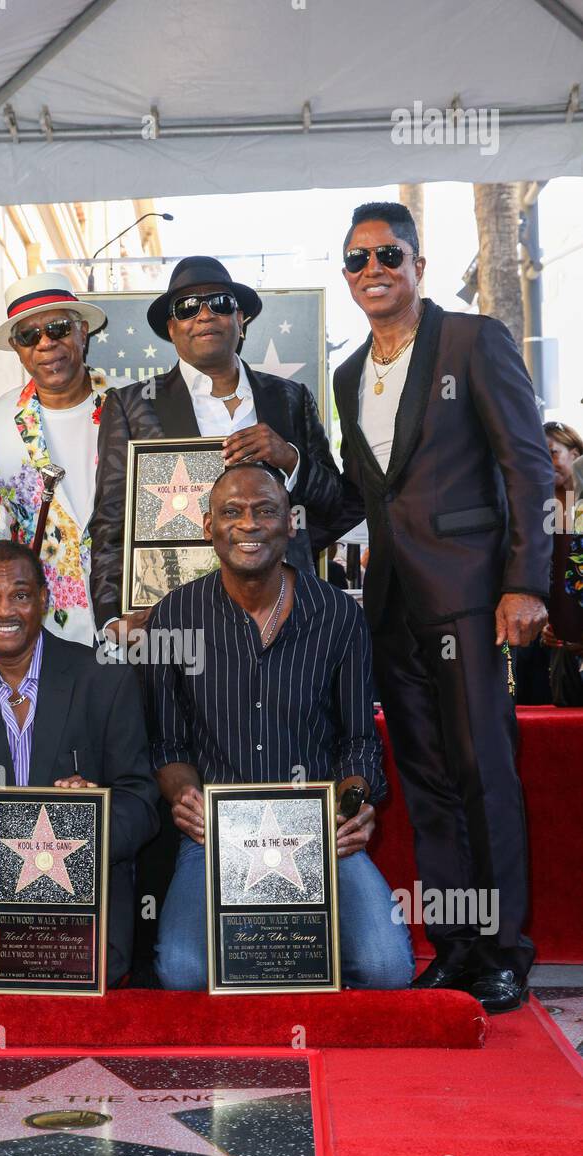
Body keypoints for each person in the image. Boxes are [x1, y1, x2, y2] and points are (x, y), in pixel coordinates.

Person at [295, 201, 555, 1012]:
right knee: (429, 782)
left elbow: (527, 468)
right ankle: (456, 946)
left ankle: (506, 949)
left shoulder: (474, 342)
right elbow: (357, 497)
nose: (372, 270)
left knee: (486, 775)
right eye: (356, 259)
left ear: (418, 265)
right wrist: (288, 474)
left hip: (474, 599)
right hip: (391, 608)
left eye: (388, 255)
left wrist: (528, 582)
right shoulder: (346, 376)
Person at [145, 462, 413, 992]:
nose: (249, 524)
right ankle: (286, 946)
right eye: (232, 512)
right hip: (216, 834)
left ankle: (300, 943)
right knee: (183, 973)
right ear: (207, 527)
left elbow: (359, 740)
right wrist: (185, 798)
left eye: (265, 510)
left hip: (317, 830)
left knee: (386, 969)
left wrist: (354, 805)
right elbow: (167, 744)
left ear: (291, 522)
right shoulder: (173, 616)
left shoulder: (337, 614)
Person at [0, 541, 159, 991]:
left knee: (95, 966)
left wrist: (90, 816)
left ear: (44, 597)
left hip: (81, 891)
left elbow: (141, 801)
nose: (6, 611)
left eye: (20, 595)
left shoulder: (105, 681)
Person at [89, 255, 342, 643]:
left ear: (240, 319)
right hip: (179, 615)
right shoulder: (131, 404)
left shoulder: (290, 398)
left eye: (219, 303)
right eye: (188, 307)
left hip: (286, 615)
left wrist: (289, 459)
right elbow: (111, 522)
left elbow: (335, 503)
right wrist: (111, 618)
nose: (205, 315)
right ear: (171, 328)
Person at [0, 273, 107, 647]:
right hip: (43, 629)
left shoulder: (133, 411)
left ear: (82, 332)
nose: (46, 343)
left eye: (58, 328)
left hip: (133, 622)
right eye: (30, 336)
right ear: (17, 347)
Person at [541, 421, 583, 705]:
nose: (547, 462)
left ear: (575, 453)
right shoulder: (545, 507)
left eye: (553, 453)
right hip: (559, 647)